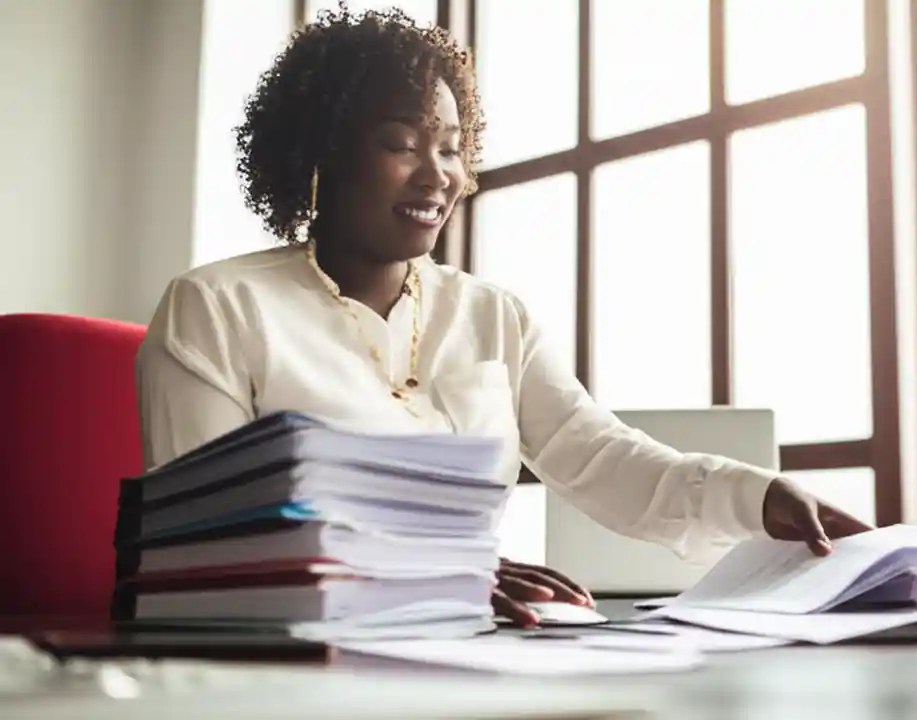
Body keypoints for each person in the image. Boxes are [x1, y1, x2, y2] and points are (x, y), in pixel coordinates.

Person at [136, 6, 871, 626]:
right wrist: (443, 575)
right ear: (320, 152)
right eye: (401, 143)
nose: (438, 174)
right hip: (289, 667)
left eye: (452, 148)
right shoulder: (217, 310)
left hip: (475, 652)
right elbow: (211, 546)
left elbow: (602, 457)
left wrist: (757, 496)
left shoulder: (492, 315)